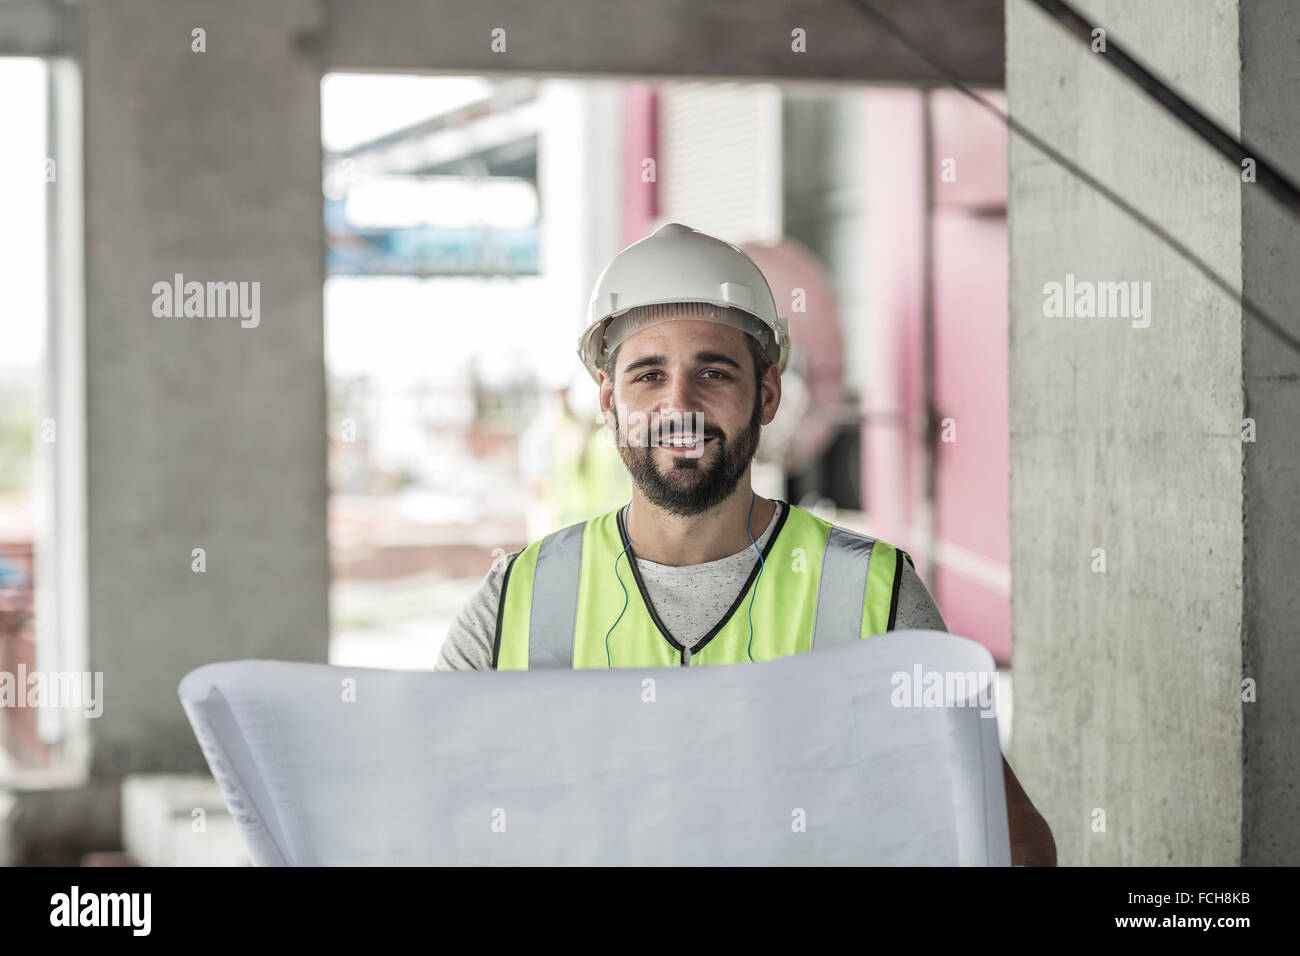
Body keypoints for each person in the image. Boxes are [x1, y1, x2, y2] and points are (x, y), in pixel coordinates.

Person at [437, 221, 1055, 865]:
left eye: (713, 372)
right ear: (608, 401)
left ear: (766, 396)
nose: (679, 403)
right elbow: (427, 816)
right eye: (648, 376)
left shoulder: (871, 594)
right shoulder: (517, 601)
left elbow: (1014, 847)